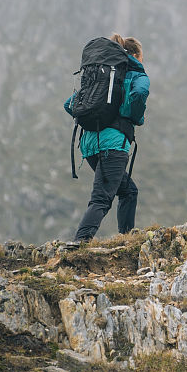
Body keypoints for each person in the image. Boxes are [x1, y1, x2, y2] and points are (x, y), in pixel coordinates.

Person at [65, 33, 149, 244]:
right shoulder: (136, 74)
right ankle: (80, 241)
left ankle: (126, 239)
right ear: (136, 56)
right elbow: (140, 93)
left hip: (89, 144)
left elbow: (69, 104)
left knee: (129, 191)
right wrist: (134, 117)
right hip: (113, 145)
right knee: (101, 199)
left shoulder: (103, 75)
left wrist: (94, 119)